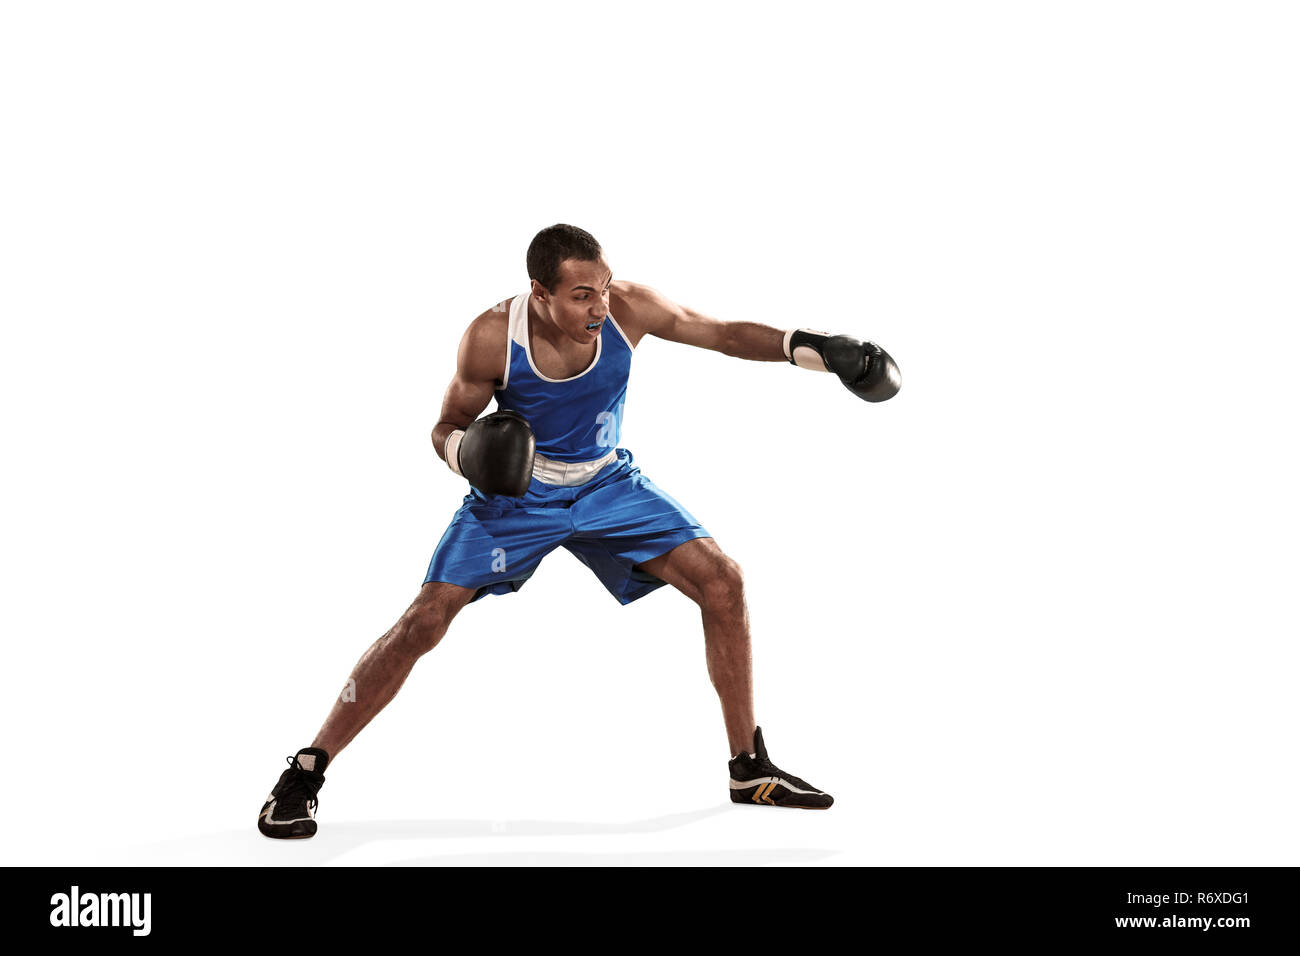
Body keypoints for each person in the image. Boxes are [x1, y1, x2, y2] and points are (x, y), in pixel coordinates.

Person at [258, 224, 900, 838]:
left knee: (722, 581)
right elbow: (446, 424)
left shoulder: (628, 309)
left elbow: (722, 333)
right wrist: (469, 455)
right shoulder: (490, 337)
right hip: (519, 495)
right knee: (424, 621)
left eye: (603, 286)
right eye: (581, 294)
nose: (600, 305)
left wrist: (810, 347)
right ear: (540, 293)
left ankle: (749, 768)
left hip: (606, 486)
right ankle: (306, 769)